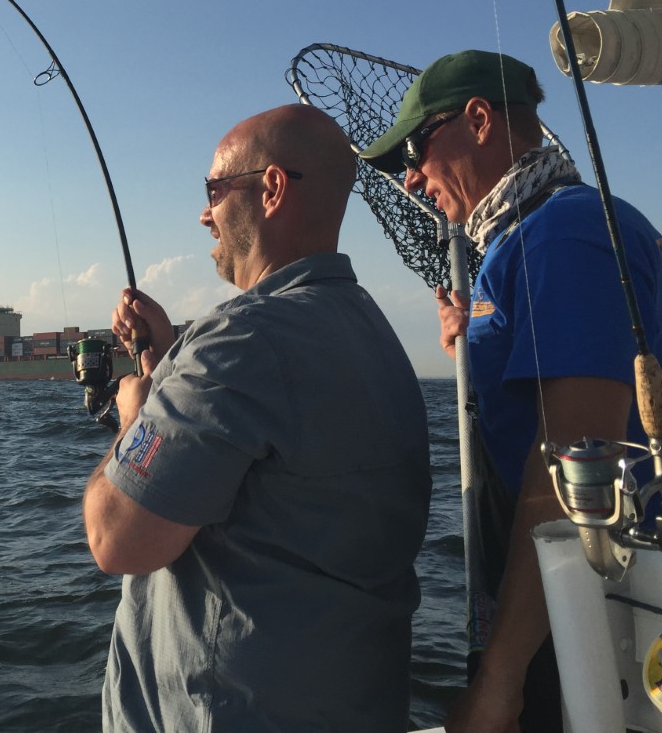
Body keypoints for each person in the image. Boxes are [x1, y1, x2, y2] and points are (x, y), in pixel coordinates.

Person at [359, 49, 662, 733]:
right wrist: (475, 337)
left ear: (479, 120)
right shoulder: (541, 238)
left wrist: (499, 681)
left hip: (606, 612)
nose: (409, 178)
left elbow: (578, 462)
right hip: (595, 598)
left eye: (417, 150)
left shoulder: (562, 237)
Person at [83, 103, 431, 732]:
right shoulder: (372, 333)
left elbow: (118, 540)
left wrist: (138, 415)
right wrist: (165, 362)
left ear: (271, 189)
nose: (204, 213)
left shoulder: (239, 342)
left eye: (214, 190)